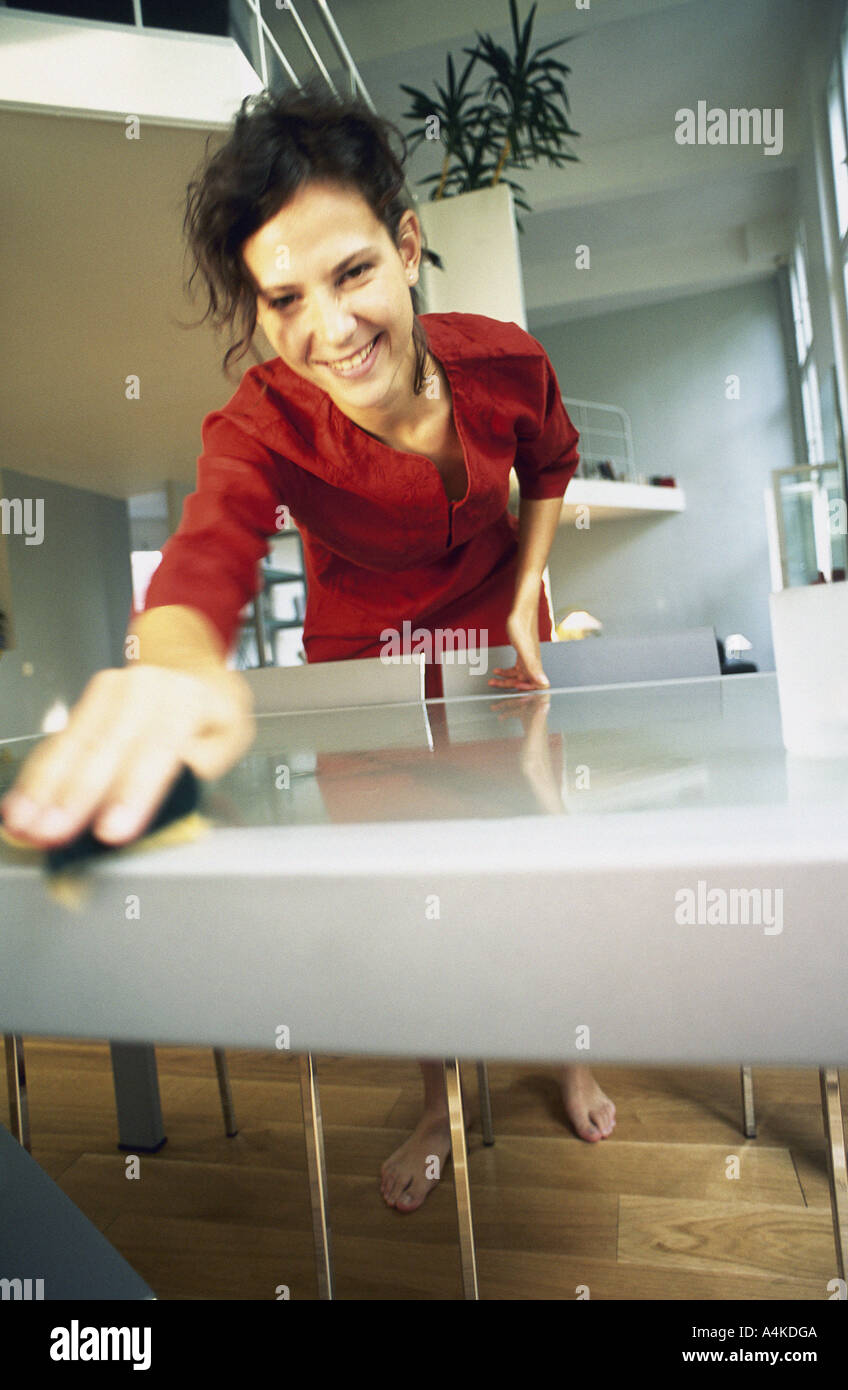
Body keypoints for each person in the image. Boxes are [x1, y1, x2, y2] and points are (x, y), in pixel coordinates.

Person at [0, 85, 615, 1212]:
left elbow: (554, 463)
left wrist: (528, 594)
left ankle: (567, 1053)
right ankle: (438, 1099)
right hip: (358, 674)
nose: (329, 329)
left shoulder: (505, 364)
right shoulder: (263, 421)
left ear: (408, 246)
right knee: (407, 909)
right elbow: (208, 545)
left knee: (539, 872)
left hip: (496, 653)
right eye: (284, 298)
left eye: (353, 273)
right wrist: (173, 666)